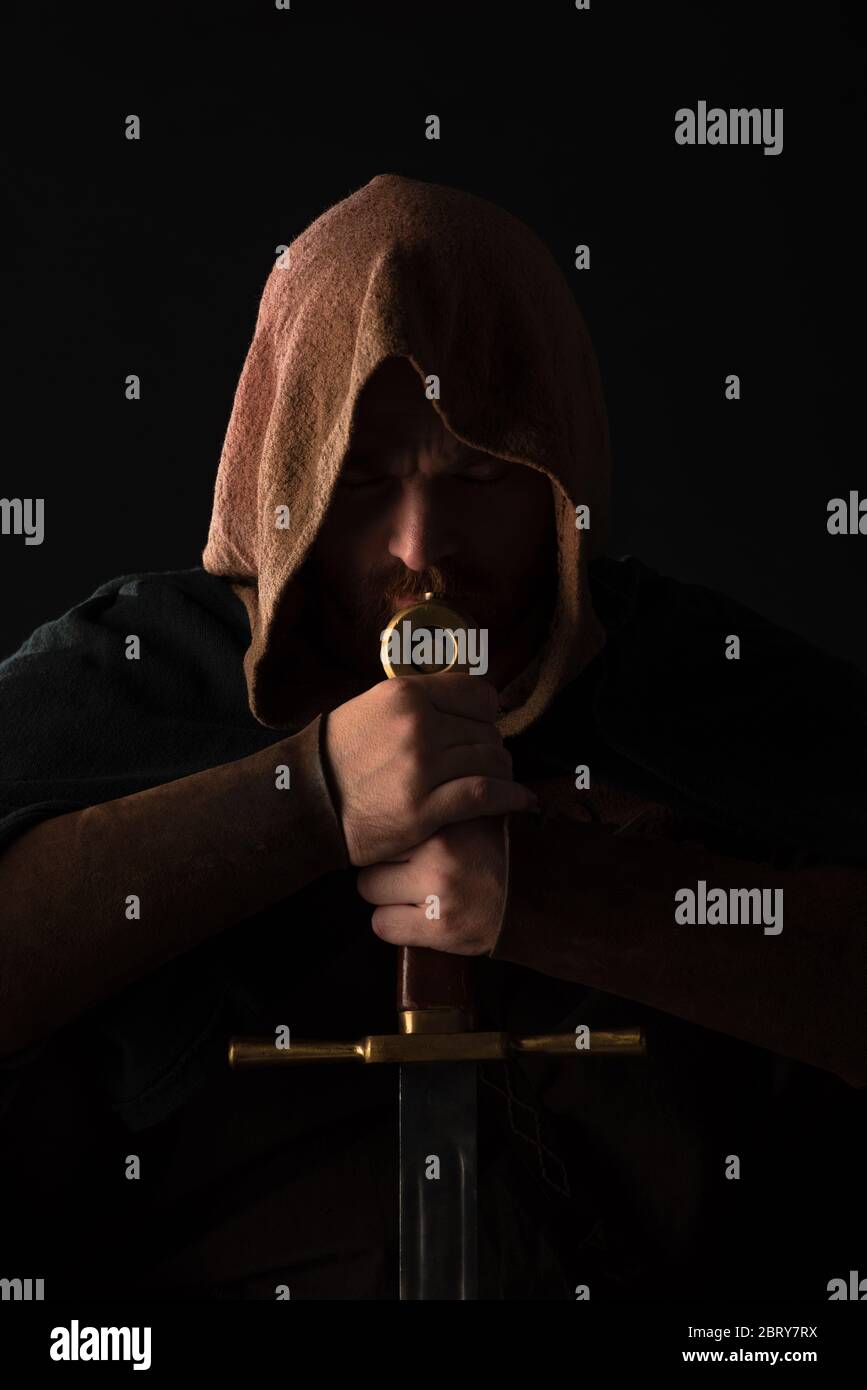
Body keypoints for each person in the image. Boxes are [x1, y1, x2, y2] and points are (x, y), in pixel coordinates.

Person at [1, 174, 864, 1301]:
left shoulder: (687, 675)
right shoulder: (145, 669)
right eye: (363, 480)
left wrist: (556, 894)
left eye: (481, 475)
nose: (422, 548)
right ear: (287, 469)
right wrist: (309, 798)